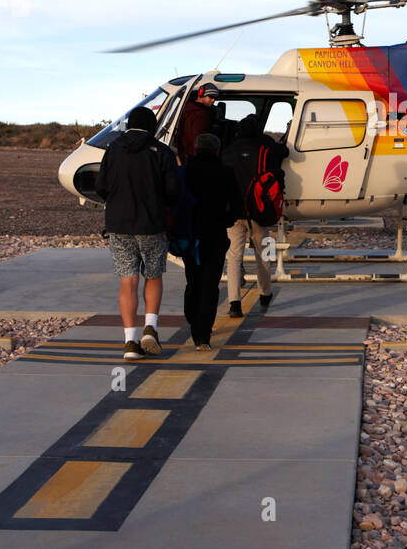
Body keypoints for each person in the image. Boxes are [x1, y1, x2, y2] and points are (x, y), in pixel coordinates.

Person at [94, 105, 179, 361]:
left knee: (127, 280)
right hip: (152, 224)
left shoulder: (112, 150)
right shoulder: (162, 152)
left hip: (119, 225)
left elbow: (101, 188)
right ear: (151, 126)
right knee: (153, 276)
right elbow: (173, 191)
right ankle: (150, 327)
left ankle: (130, 342)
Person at [220, 114, 289, 316]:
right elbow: (283, 153)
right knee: (264, 252)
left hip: (234, 212)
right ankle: (265, 293)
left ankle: (234, 302)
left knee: (233, 256)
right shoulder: (266, 150)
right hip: (259, 211)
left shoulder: (228, 152)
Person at [181, 133, 240, 350]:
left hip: (190, 235)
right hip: (215, 234)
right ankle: (202, 336)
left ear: (195, 149)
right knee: (210, 285)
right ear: (217, 150)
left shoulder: (186, 171)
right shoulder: (225, 172)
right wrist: (224, 220)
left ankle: (192, 318)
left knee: (193, 281)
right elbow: (236, 206)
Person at [176, 82, 226, 162]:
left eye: (215, 98)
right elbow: (200, 141)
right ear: (201, 94)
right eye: (211, 97)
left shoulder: (186, 109)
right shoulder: (201, 114)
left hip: (186, 156)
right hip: (196, 158)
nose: (213, 100)